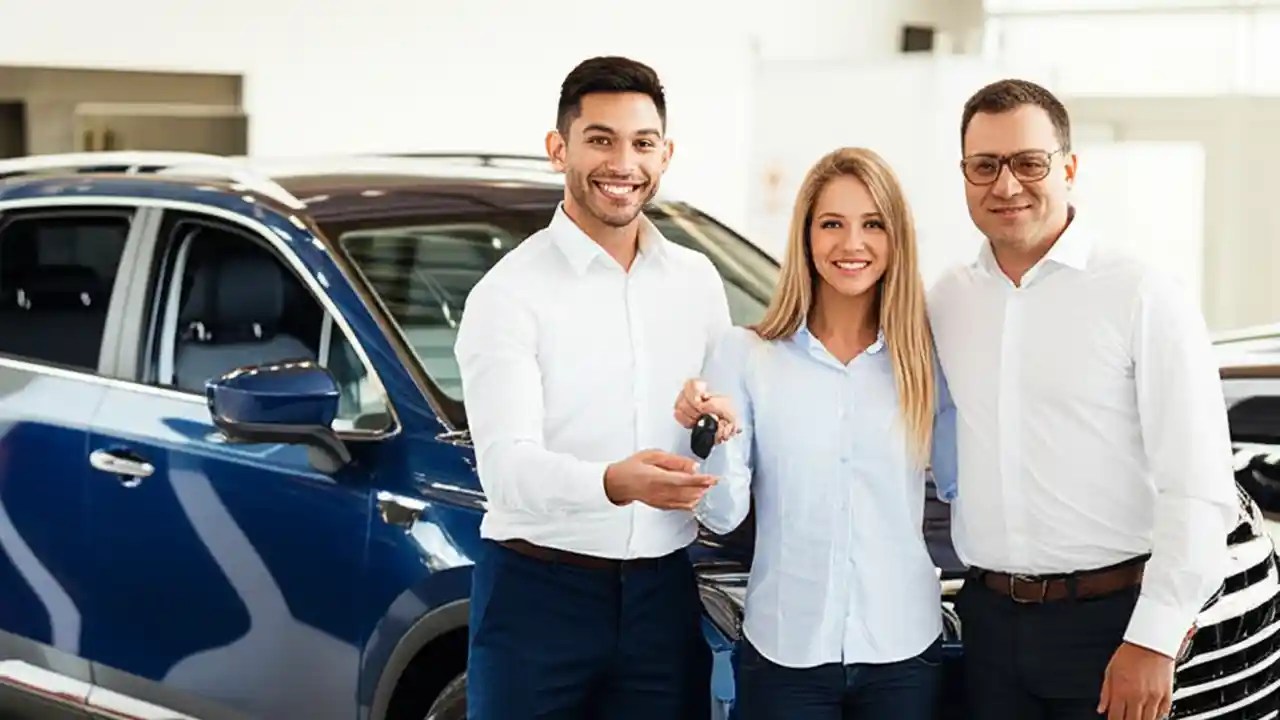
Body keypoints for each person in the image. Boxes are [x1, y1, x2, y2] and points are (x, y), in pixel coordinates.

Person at [927, 78, 1239, 720]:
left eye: (1028, 163)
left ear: (1068, 168)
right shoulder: (948, 300)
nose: (1006, 185)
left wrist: (1154, 636)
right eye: (984, 166)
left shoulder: (1140, 292)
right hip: (987, 622)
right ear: (964, 175)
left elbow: (1199, 482)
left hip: (1111, 625)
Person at [453, 55, 730, 720]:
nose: (623, 164)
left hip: (664, 598)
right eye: (600, 140)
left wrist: (719, 429)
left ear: (665, 155)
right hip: (537, 598)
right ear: (559, 150)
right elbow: (507, 471)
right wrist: (616, 482)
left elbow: (719, 429)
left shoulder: (697, 282)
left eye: (642, 144)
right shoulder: (508, 294)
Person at [673, 147, 958, 720]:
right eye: (832, 224)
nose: (851, 244)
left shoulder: (928, 356)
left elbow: (960, 485)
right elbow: (722, 516)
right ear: (805, 238)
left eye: (872, 224)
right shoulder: (746, 354)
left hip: (902, 650)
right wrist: (715, 437)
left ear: (896, 237)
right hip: (786, 653)